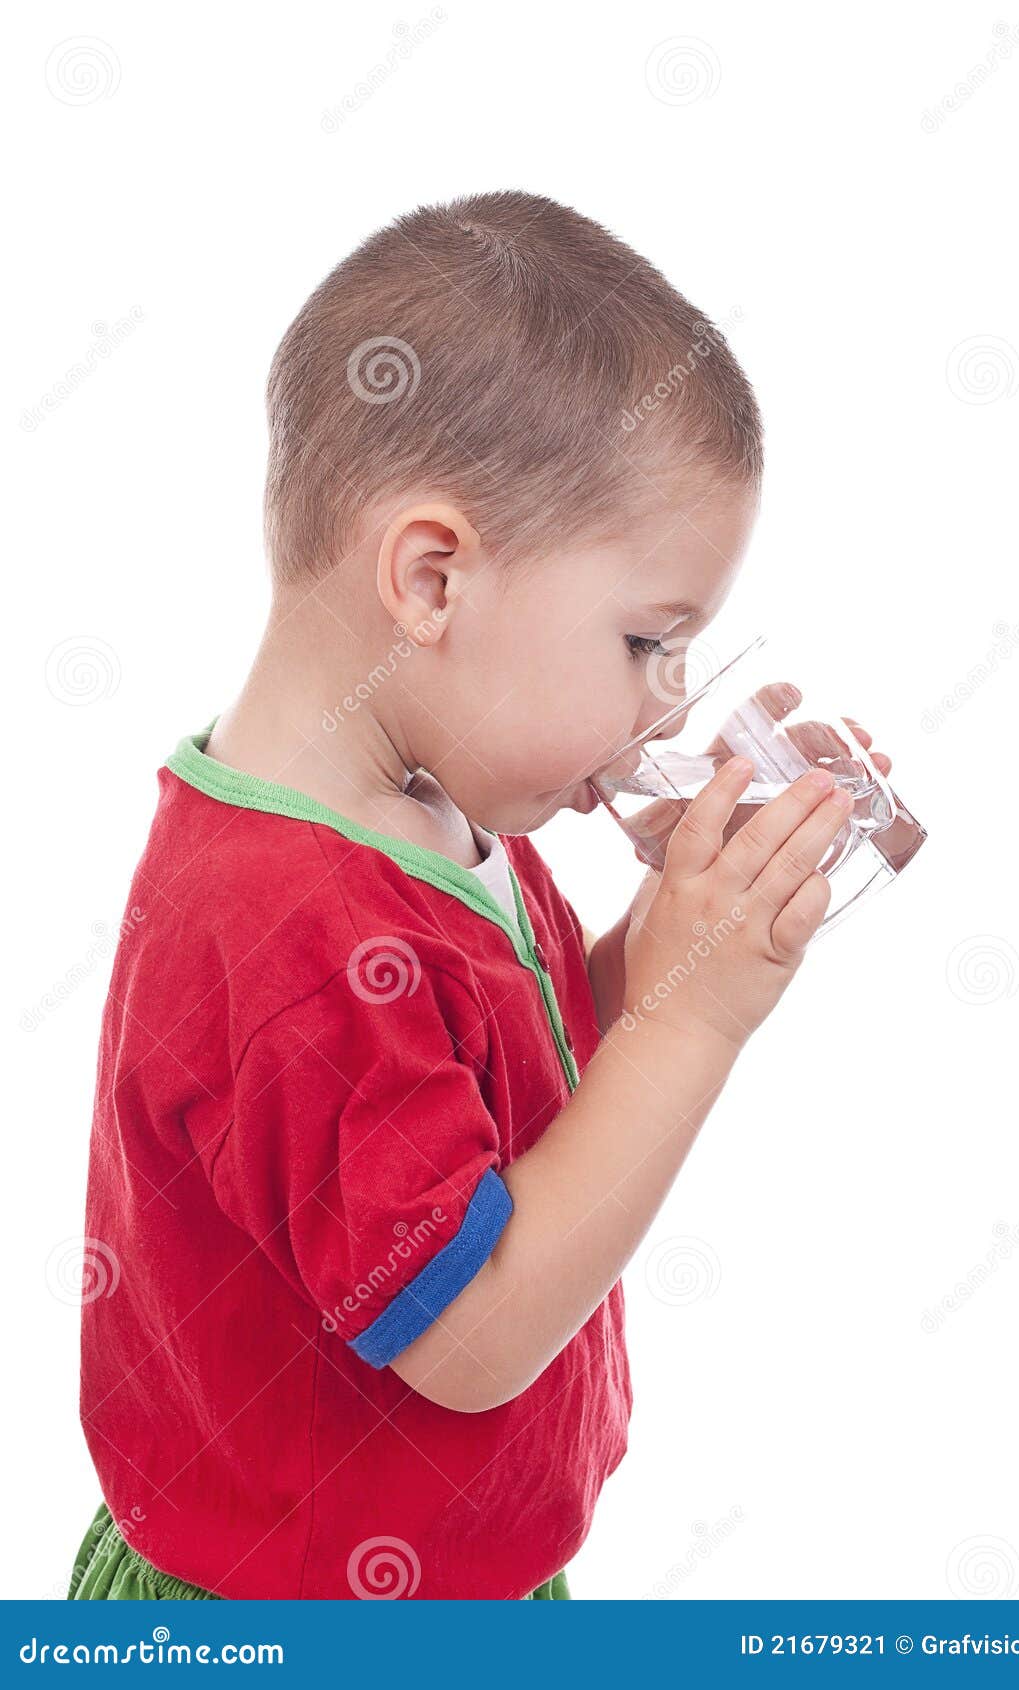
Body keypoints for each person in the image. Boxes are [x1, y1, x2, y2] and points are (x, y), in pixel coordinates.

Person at [70, 190, 890, 1601]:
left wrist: (694, 932)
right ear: (432, 579)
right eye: (646, 641)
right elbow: (473, 1328)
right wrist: (699, 1023)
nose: (670, 698)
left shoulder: (425, 812)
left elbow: (518, 1079)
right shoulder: (289, 931)